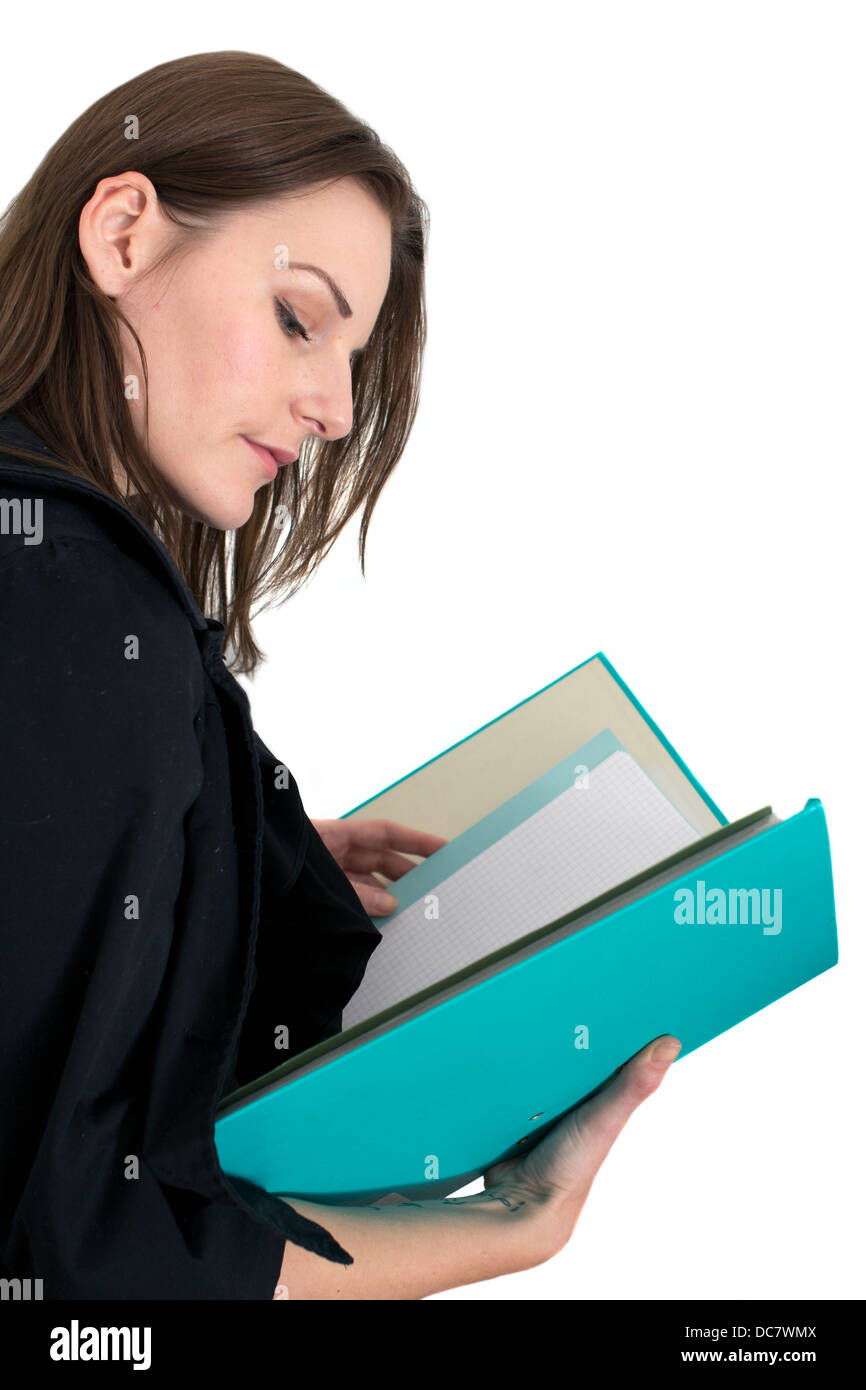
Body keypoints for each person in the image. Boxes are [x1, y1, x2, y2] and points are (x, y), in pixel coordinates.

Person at [0, 50, 681, 1301]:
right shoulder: (73, 605)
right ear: (122, 235)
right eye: (298, 317)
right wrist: (506, 1226)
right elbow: (71, 1264)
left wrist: (202, 855)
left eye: (350, 354)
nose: (330, 405)